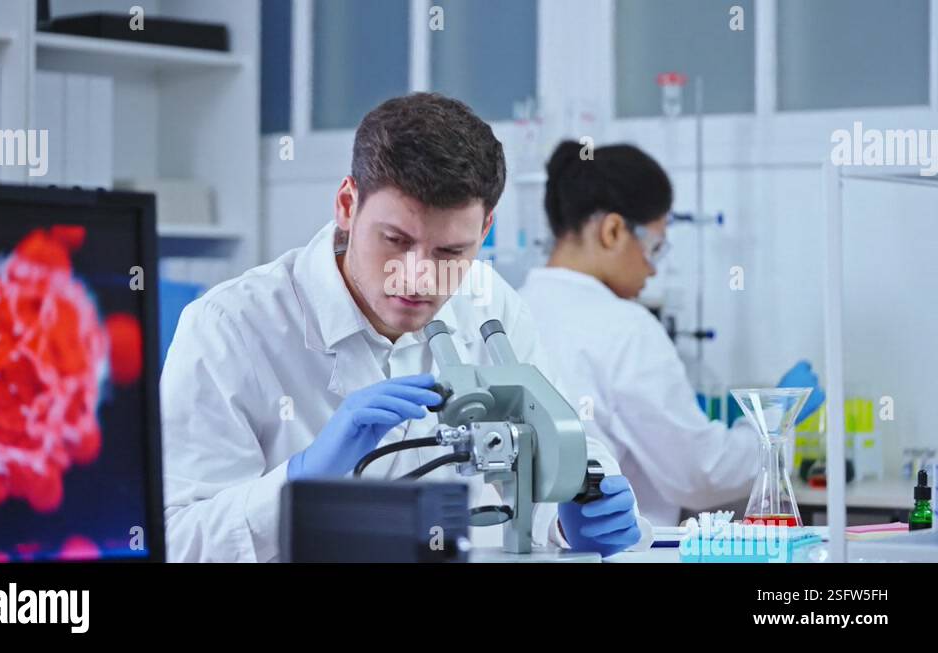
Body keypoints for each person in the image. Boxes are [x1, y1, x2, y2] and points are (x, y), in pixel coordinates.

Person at [160, 95, 652, 562]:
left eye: (450, 252)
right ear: (347, 205)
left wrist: (571, 509)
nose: (419, 276)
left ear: (485, 231)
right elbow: (176, 542)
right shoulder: (230, 327)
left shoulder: (487, 300)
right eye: (395, 240)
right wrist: (301, 480)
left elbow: (563, 447)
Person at [519, 141, 825, 526]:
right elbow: (701, 474)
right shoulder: (626, 327)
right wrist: (774, 424)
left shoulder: (510, 310)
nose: (654, 270)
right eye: (655, 247)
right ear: (613, 231)